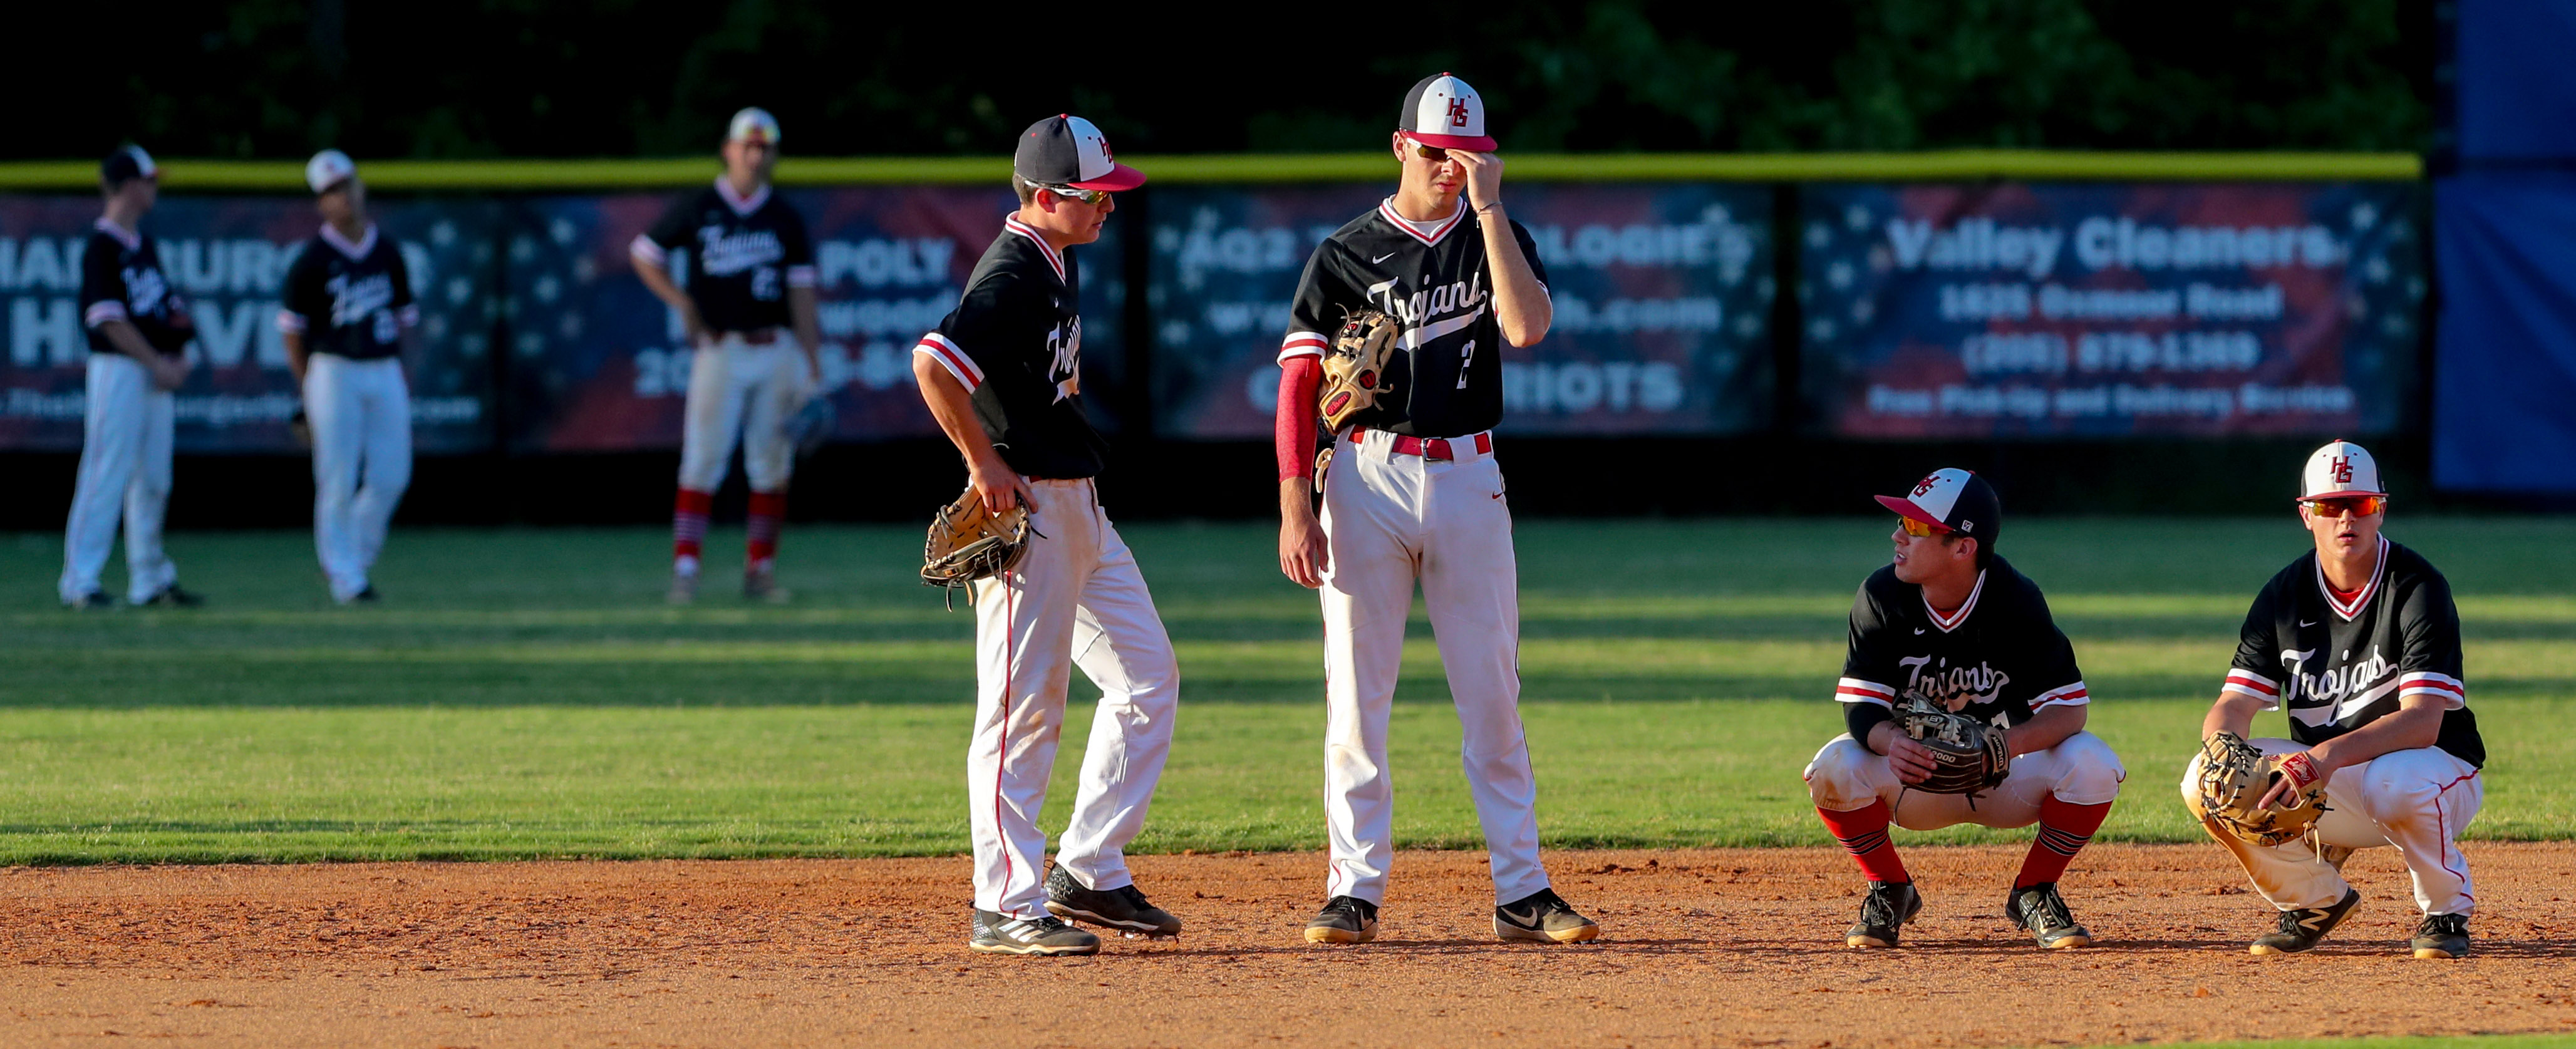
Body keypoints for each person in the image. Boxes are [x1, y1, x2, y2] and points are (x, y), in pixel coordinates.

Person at [1273, 73, 1598, 946]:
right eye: (1435, 151)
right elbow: (1299, 383)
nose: (1451, 167)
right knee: (1356, 698)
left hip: (1468, 477)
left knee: (1492, 694)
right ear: (1399, 147)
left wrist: (1491, 214)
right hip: (1365, 480)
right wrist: (1294, 504)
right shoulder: (1344, 253)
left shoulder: (1499, 234)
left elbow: (1527, 328)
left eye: (1470, 153)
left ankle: (1522, 890)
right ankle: (1353, 890)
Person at [910, 114, 1180, 958]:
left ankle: (1089, 867)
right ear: (1045, 196)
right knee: (1022, 711)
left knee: (1147, 679)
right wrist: (985, 466)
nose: (1108, 207)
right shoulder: (1014, 270)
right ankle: (1003, 902)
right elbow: (933, 360)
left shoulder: (1053, 260)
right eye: (1094, 196)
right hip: (1029, 513)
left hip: (1082, 508)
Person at [2181, 440, 2485, 959]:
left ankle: (2445, 911)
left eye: (2360, 504)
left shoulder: (2416, 587)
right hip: (2330, 781)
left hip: (2435, 774)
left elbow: (2422, 724)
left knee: (2395, 782)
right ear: (2306, 515)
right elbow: (2234, 701)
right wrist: (2222, 746)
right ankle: (2314, 899)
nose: (2345, 518)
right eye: (2329, 506)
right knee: (2201, 779)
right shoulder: (2283, 596)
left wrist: (2320, 760)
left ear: (2380, 508)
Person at [1802, 468, 2123, 950]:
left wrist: (2003, 745)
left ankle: (2033, 890)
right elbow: (1861, 707)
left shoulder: (2015, 599)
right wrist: (1894, 743)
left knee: (2095, 763)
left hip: (2004, 776)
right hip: (1913, 776)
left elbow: (2068, 711)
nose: (1896, 535)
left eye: (1914, 527)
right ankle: (1890, 888)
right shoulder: (1881, 597)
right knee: (1831, 767)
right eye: (1902, 523)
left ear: (1962, 546)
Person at [631, 106, 823, 603]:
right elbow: (644, 252)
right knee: (701, 460)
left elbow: (801, 292)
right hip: (720, 348)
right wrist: (681, 302)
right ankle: (686, 569)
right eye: (748, 146)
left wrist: (812, 361)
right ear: (728, 149)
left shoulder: (783, 216)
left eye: (764, 147)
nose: (755, 155)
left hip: (774, 346)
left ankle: (759, 571)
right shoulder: (700, 206)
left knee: (772, 463)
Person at [59, 145, 200, 610]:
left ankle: (149, 580)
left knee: (155, 478)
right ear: (128, 185)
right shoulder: (102, 246)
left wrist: (178, 357)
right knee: (105, 472)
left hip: (153, 372)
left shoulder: (145, 246)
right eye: (149, 179)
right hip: (119, 369)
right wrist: (155, 362)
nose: (155, 187)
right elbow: (107, 319)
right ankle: (80, 581)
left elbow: (169, 313)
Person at [280, 150, 414, 605]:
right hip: (332, 370)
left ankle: (349, 556)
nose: (344, 198)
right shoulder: (312, 262)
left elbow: (405, 319)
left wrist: (400, 368)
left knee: (393, 474)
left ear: (361, 188)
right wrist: (306, 391)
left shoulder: (388, 251)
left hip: (382, 365)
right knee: (336, 476)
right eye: (332, 192)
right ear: (321, 203)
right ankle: (347, 578)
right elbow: (292, 333)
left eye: (347, 186)